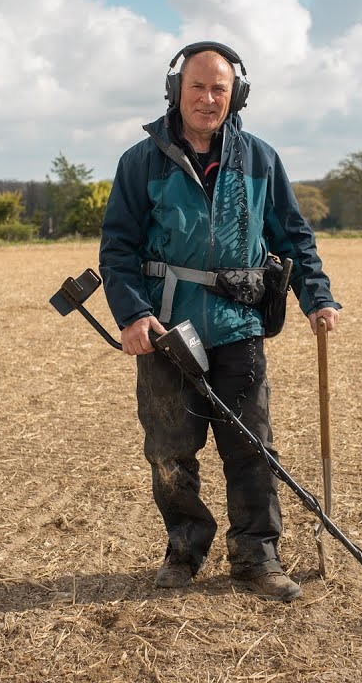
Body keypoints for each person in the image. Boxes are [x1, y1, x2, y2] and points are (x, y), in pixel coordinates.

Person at [99, 41, 340, 602]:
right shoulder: (140, 162)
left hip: (239, 326)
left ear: (238, 96)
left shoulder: (260, 159)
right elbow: (118, 248)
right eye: (197, 88)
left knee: (252, 447)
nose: (208, 99)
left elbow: (293, 238)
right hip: (166, 332)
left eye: (220, 90)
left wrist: (317, 296)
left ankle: (257, 556)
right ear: (174, 92)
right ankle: (184, 549)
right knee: (169, 450)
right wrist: (133, 313)